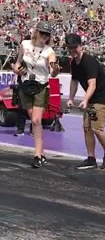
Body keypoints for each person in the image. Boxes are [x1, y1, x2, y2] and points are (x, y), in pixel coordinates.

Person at [13, 21, 59, 168]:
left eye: (47, 34)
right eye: (42, 33)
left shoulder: (49, 51)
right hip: (26, 87)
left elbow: (53, 71)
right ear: (37, 32)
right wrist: (17, 70)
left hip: (40, 87)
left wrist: (55, 69)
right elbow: (17, 63)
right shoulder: (25, 44)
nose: (44, 36)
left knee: (36, 120)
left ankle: (37, 155)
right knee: (33, 119)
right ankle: (42, 152)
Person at [65, 33, 105, 170]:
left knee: (96, 128)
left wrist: (85, 100)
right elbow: (74, 81)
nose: (72, 51)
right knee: (87, 128)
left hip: (103, 99)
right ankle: (91, 158)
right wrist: (71, 98)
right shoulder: (74, 63)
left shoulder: (89, 62)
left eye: (75, 47)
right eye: (70, 48)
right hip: (92, 99)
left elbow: (92, 84)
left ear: (81, 46)